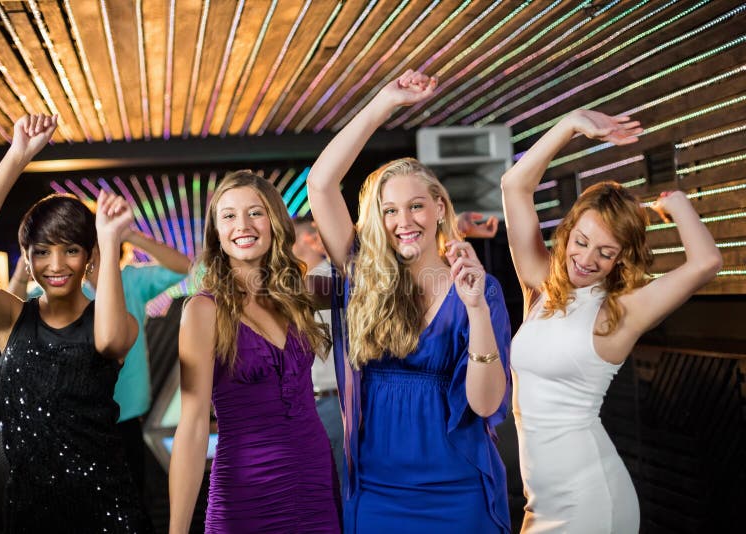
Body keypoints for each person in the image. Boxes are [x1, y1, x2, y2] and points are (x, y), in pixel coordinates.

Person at [307, 70, 512, 533]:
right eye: (390, 210)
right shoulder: (363, 275)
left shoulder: (481, 288)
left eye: (416, 206)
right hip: (377, 491)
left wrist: (476, 308)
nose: (405, 221)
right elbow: (321, 184)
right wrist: (383, 102)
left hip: (459, 492)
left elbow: (485, 405)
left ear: (439, 207)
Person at [500, 109, 722, 533]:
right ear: (567, 233)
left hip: (589, 499)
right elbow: (514, 185)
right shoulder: (542, 285)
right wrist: (570, 123)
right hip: (542, 499)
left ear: (622, 257)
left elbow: (707, 261)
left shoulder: (620, 310)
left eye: (606, 252)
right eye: (581, 242)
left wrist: (676, 204)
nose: (586, 259)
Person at [0, 114, 152, 531]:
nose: (55, 265)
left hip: (108, 514)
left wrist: (109, 241)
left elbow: (111, 342)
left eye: (71, 250)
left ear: (89, 256)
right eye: (42, 252)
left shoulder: (114, 322)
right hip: (30, 515)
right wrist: (16, 157)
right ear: (27, 256)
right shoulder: (10, 318)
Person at [168, 171, 340, 533]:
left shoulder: (298, 295)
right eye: (228, 216)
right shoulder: (203, 311)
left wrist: (447, 231)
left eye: (255, 212)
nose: (242, 225)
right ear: (216, 232)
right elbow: (193, 427)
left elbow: (376, 280)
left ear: (275, 221)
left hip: (314, 483)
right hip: (247, 494)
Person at [9, 223, 190, 502]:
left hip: (126, 414)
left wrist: (129, 234)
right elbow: (11, 313)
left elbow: (182, 267)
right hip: (70, 419)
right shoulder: (63, 291)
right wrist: (23, 272)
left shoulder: (130, 280)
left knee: (129, 498)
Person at [292, 214, 344, 485]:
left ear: (306, 240)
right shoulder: (310, 281)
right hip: (316, 401)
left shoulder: (327, 280)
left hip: (332, 401)